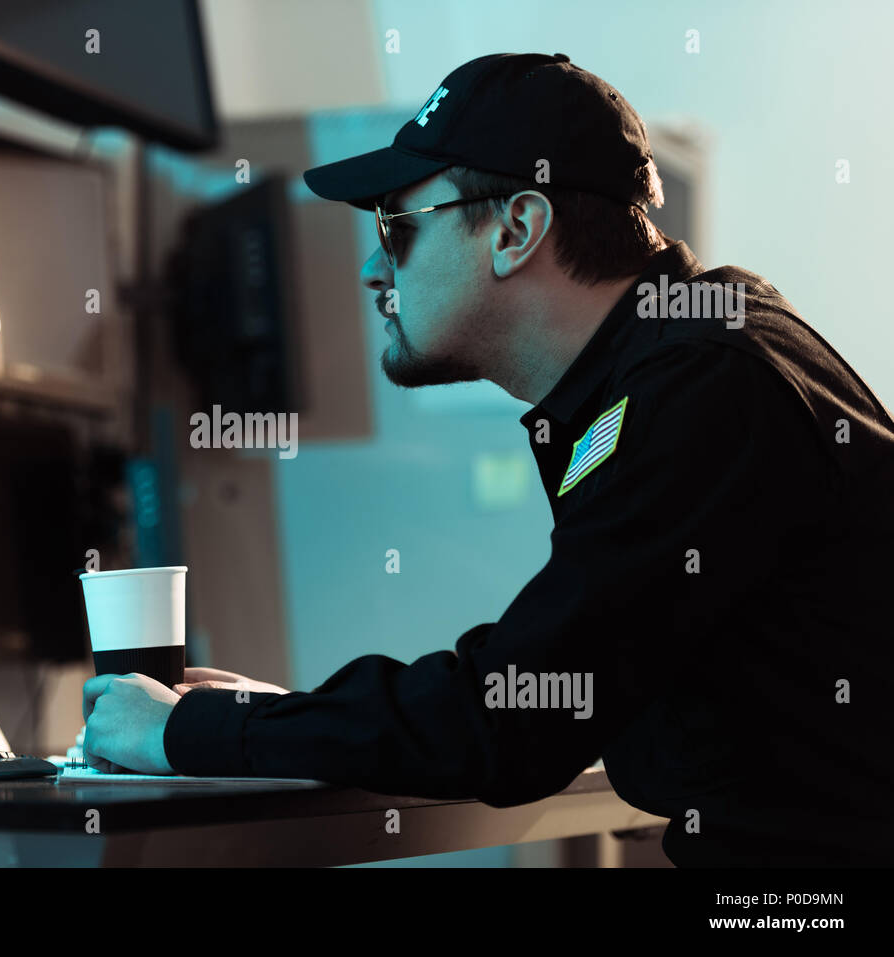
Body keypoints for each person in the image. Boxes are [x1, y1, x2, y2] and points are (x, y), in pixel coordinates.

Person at [81, 53, 894, 866]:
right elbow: (550, 685)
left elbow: (512, 720)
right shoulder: (690, 353)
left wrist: (191, 730)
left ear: (515, 230)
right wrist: (276, 717)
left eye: (396, 229)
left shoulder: (704, 387)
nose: (372, 271)